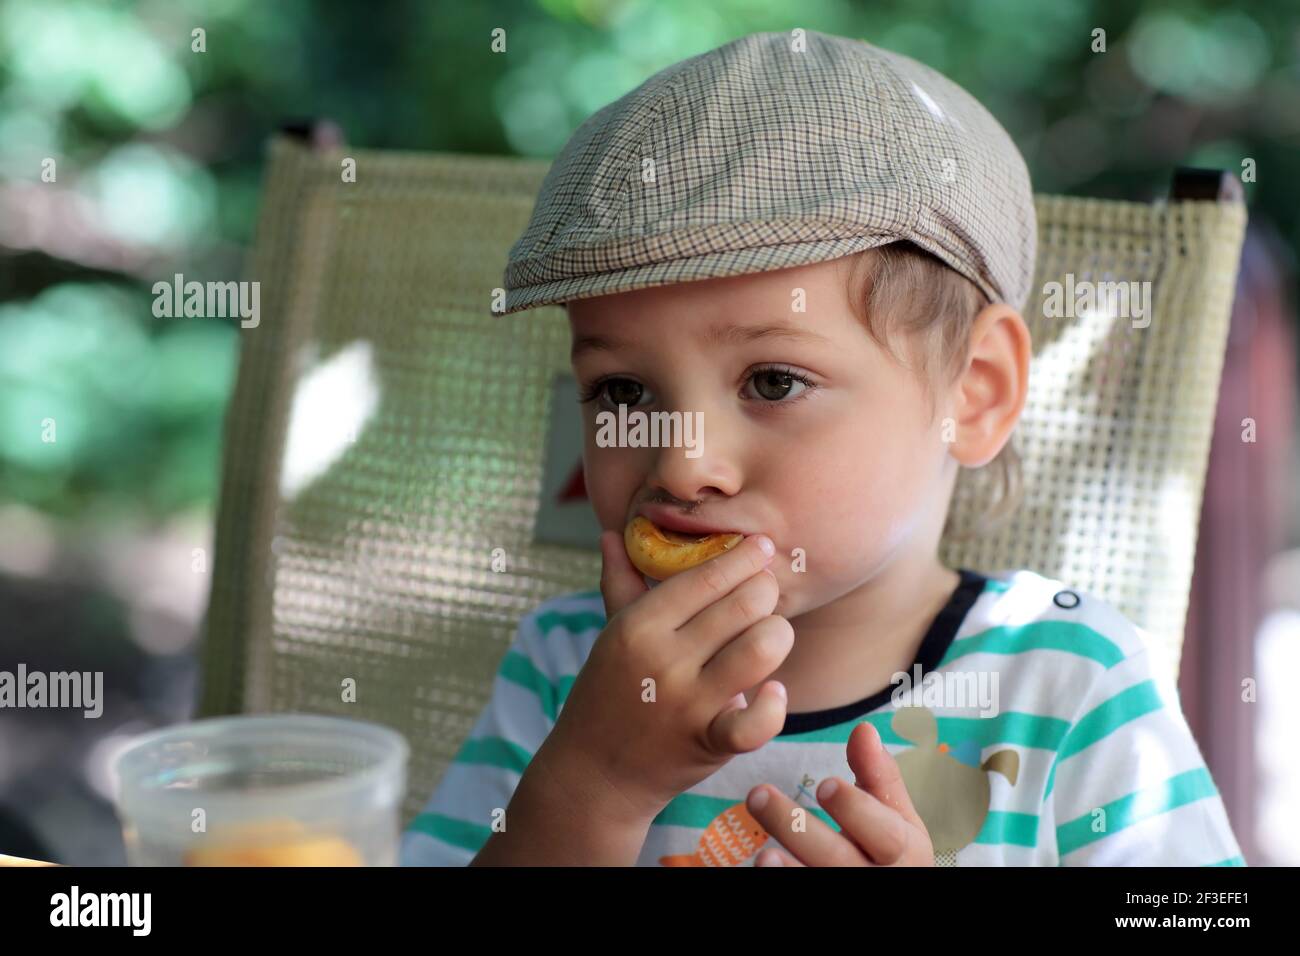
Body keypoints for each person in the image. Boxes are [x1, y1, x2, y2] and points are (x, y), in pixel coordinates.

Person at [401, 30, 1244, 866]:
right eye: (625, 392)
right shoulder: (568, 671)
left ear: (975, 391)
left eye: (772, 382)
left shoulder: (1071, 686)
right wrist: (596, 784)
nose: (683, 464)